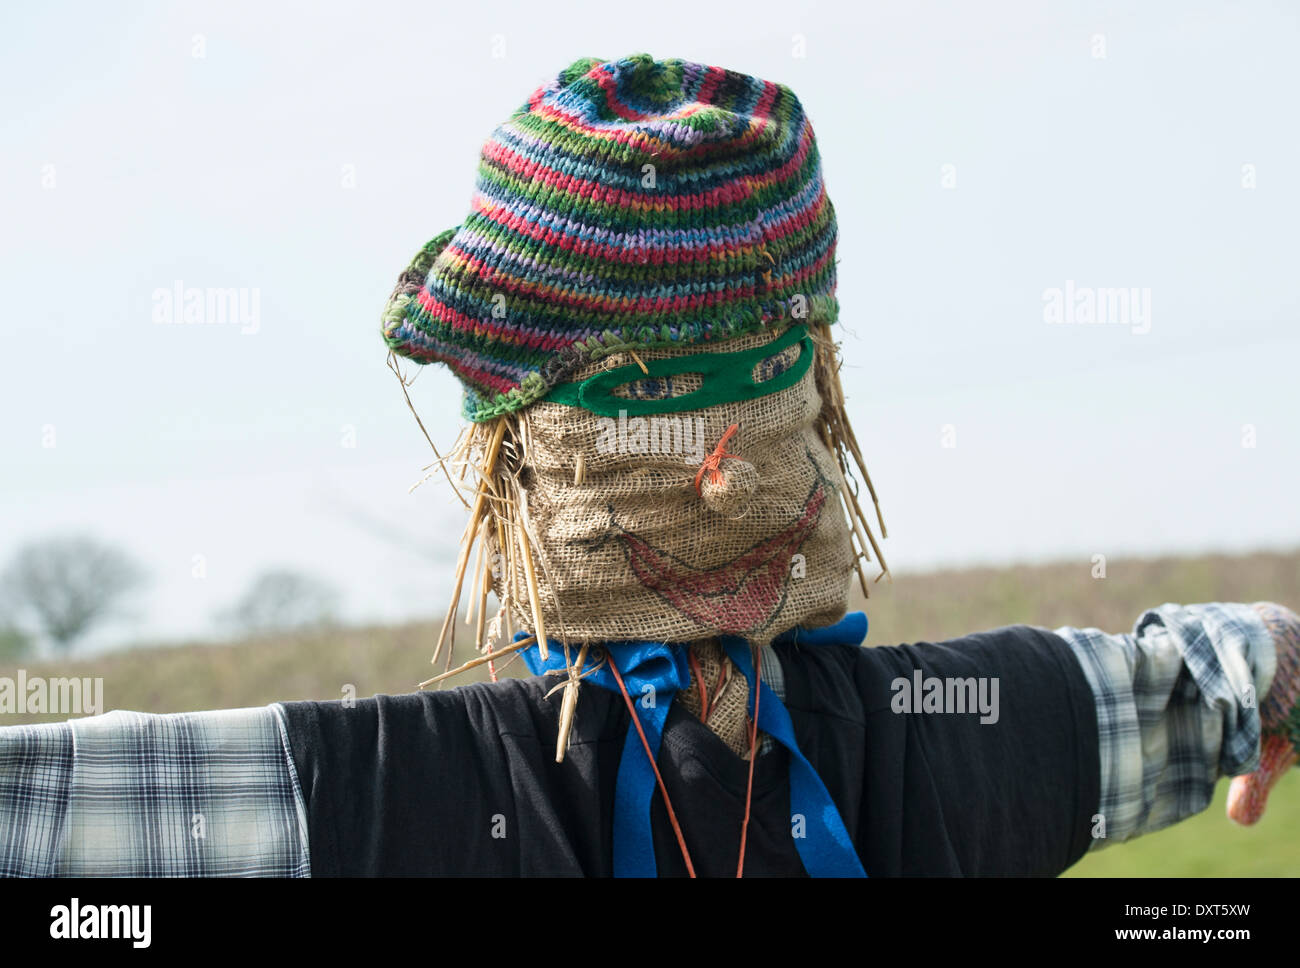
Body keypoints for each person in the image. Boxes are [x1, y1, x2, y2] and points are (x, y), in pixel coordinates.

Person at [1, 54, 1295, 878]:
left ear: (820, 399)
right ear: (529, 450)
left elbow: (1186, 686)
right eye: (649, 398)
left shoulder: (934, 748)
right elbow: (85, 801)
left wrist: (1270, 672)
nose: (723, 482)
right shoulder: (427, 800)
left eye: (754, 388)